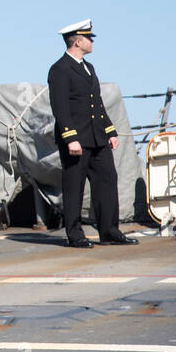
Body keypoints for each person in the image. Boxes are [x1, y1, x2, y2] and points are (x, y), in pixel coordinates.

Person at [48, 19, 136, 248]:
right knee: (74, 187)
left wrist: (110, 131)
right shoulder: (59, 69)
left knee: (107, 180)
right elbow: (60, 107)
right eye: (88, 38)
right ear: (77, 41)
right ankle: (75, 234)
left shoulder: (89, 68)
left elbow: (96, 103)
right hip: (77, 140)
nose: (91, 41)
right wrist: (71, 138)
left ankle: (109, 231)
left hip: (97, 138)